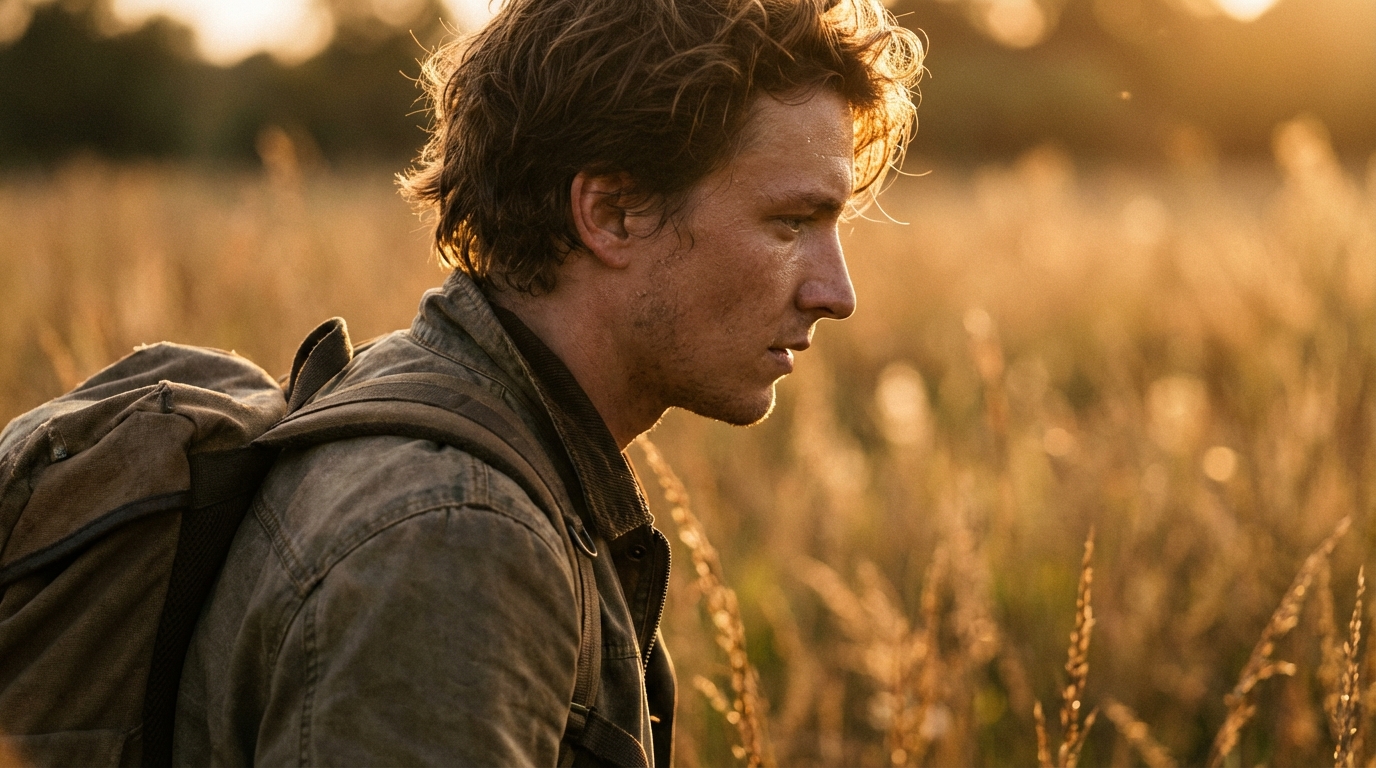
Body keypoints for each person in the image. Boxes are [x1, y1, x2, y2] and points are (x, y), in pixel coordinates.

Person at [172, 0, 921, 764]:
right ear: (613, 213)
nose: (837, 294)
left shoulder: (444, 430)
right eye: (792, 222)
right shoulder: (455, 541)